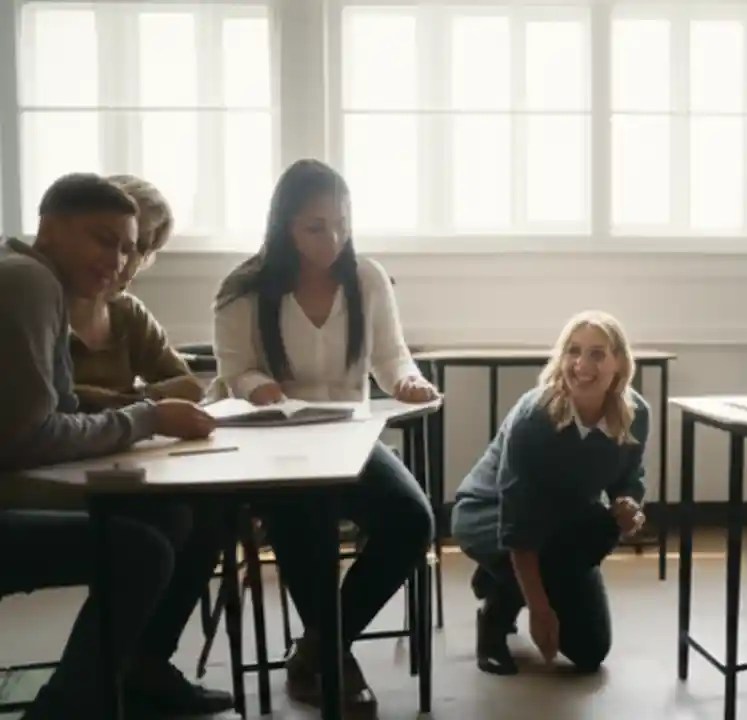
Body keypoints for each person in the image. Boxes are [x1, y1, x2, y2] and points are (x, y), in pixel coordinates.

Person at [0, 173, 232, 719]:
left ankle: (135, 675)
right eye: (103, 240)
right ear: (50, 227)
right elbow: (31, 437)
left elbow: (58, 412)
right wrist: (145, 415)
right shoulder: (28, 283)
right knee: (143, 550)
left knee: (177, 515)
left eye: (131, 249)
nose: (119, 261)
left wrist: (131, 414)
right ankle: (67, 710)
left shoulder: (39, 280)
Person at [212, 158, 437, 712]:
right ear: (284, 225)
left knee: (414, 521)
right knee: (304, 520)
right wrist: (265, 391)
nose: (333, 238)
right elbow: (235, 369)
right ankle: (335, 664)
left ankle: (318, 649)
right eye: (316, 226)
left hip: (348, 435)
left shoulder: (367, 278)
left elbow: (391, 357)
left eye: (342, 222)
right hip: (274, 443)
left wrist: (407, 381)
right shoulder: (243, 287)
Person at [452, 310, 649, 676]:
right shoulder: (536, 417)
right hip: (490, 513)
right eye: (573, 351)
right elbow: (517, 521)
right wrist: (540, 609)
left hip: (560, 522)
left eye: (596, 353)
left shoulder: (635, 414)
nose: (581, 364)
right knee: (532, 554)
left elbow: (629, 476)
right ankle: (497, 609)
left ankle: (498, 576)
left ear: (619, 363)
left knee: (590, 652)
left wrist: (629, 503)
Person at [68, 175, 203, 411]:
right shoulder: (39, 304)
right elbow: (46, 398)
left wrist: (132, 399)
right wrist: (135, 404)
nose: (129, 262)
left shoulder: (127, 313)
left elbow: (189, 386)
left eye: (142, 248)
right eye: (112, 242)